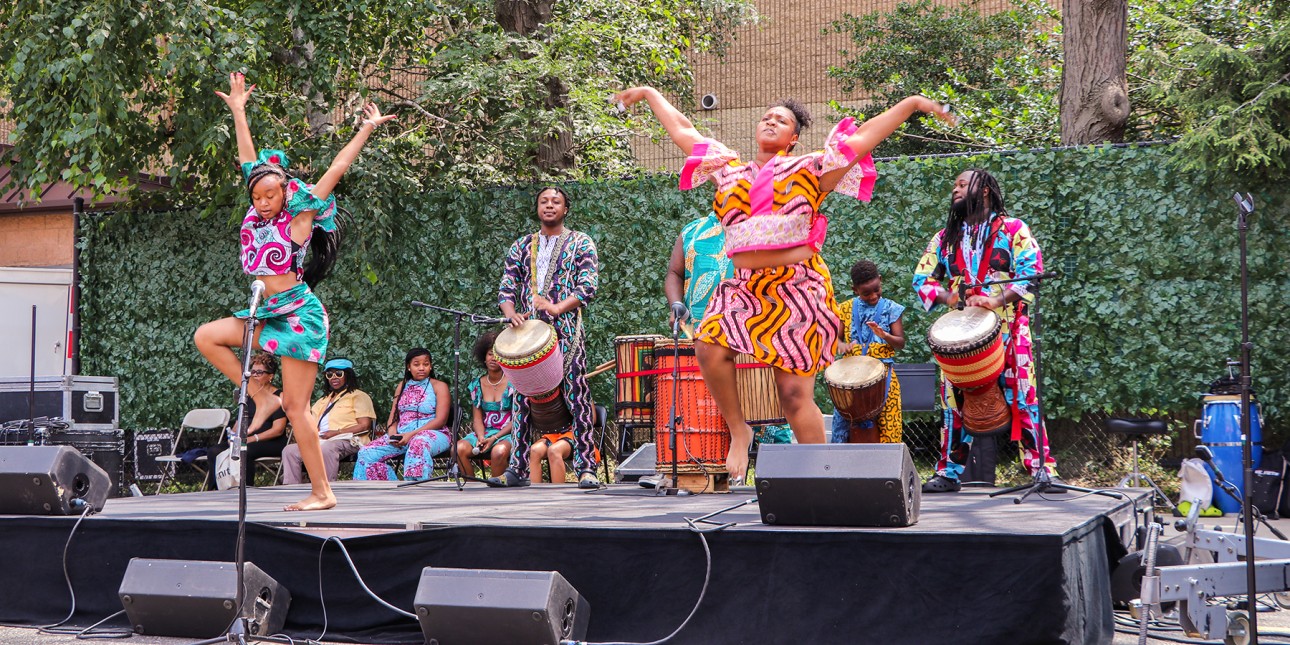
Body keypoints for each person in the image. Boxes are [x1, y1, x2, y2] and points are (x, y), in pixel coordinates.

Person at [615, 85, 954, 481]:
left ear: (794, 137)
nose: (771, 120)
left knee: (794, 397)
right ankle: (739, 430)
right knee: (707, 342)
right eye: (767, 116)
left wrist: (913, 104)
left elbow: (863, 138)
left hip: (799, 292)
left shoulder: (811, 169)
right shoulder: (729, 171)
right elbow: (685, 131)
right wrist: (650, 93)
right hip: (745, 288)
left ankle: (824, 478)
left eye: (783, 119)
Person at [194, 72, 394, 510]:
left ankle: (322, 492)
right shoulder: (256, 213)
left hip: (300, 317)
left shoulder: (297, 221)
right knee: (206, 336)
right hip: (266, 313)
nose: (263, 201)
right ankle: (263, 395)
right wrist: (238, 110)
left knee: (300, 411)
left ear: (285, 194)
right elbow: (249, 160)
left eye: (271, 195)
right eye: (257, 196)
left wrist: (365, 129)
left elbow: (336, 170)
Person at [912, 168, 1058, 493]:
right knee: (954, 402)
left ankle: (1040, 470)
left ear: (987, 189)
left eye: (964, 183)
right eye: (955, 185)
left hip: (1010, 329)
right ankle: (949, 473)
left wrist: (996, 300)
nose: (956, 189)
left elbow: (1032, 272)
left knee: (1024, 395)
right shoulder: (945, 238)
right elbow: (922, 279)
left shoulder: (1013, 229)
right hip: (962, 337)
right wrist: (950, 296)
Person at [490, 186, 601, 489]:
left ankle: (587, 468)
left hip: (566, 334)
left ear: (566, 209)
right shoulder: (522, 245)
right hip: (526, 338)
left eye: (556, 202)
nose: (549, 205)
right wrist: (511, 313)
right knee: (521, 401)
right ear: (537, 207)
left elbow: (587, 286)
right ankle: (517, 469)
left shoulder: (581, 242)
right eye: (544, 201)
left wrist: (556, 307)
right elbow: (507, 287)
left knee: (576, 398)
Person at [664, 213, 793, 447]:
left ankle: (777, 478)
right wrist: (675, 303)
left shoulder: (762, 228)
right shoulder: (692, 231)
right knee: (707, 424)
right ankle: (714, 474)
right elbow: (675, 273)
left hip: (753, 337)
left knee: (767, 419)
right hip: (701, 336)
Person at [830, 259, 906, 444]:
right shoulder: (845, 309)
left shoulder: (891, 308)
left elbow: (900, 342)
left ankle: (887, 468)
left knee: (890, 424)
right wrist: (841, 346)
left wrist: (884, 335)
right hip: (849, 380)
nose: (873, 296)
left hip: (884, 377)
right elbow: (836, 339)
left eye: (876, 290)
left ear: (880, 280)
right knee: (843, 424)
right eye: (866, 293)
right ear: (854, 289)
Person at [354, 348, 452, 481]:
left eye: (426, 364)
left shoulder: (439, 386)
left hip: (432, 433)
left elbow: (441, 420)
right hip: (402, 435)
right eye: (416, 364)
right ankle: (388, 488)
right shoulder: (402, 386)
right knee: (366, 453)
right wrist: (393, 434)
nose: (421, 368)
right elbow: (393, 417)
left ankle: (416, 489)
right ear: (409, 367)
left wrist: (411, 435)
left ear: (431, 366)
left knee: (418, 443)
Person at [281, 357, 375, 484]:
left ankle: (326, 487)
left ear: (348, 375)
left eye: (339, 373)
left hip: (348, 440)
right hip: (320, 439)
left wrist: (336, 432)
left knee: (328, 448)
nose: (333, 377)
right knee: (290, 451)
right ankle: (292, 488)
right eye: (329, 374)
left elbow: (364, 426)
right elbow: (310, 423)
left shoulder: (359, 396)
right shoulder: (323, 400)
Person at [205, 352, 288, 490]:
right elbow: (239, 422)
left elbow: (278, 430)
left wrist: (252, 438)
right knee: (214, 451)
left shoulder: (279, 396)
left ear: (271, 376)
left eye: (259, 372)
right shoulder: (249, 395)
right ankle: (216, 490)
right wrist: (234, 436)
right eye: (252, 372)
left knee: (245, 451)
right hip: (246, 440)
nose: (254, 376)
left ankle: (246, 488)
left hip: (271, 442)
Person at [455, 330, 516, 479]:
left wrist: (495, 438)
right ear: (484, 357)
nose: (493, 358)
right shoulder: (477, 385)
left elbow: (517, 419)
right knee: (458, 448)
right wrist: (481, 437)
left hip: (508, 433)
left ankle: (496, 489)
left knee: (498, 452)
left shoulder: (513, 383)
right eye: (490, 354)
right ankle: (472, 487)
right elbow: (477, 419)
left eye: (497, 354)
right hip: (485, 432)